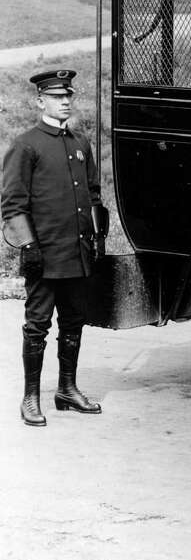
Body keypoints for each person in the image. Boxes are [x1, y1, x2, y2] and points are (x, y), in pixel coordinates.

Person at [2, 69, 105, 426]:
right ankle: (30, 398)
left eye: (68, 96)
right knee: (37, 326)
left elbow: (93, 195)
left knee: (74, 322)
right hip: (43, 256)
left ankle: (67, 390)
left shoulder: (80, 143)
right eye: (57, 97)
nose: (65, 102)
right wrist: (28, 246)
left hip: (76, 254)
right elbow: (12, 204)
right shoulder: (26, 144)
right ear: (40, 100)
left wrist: (97, 237)